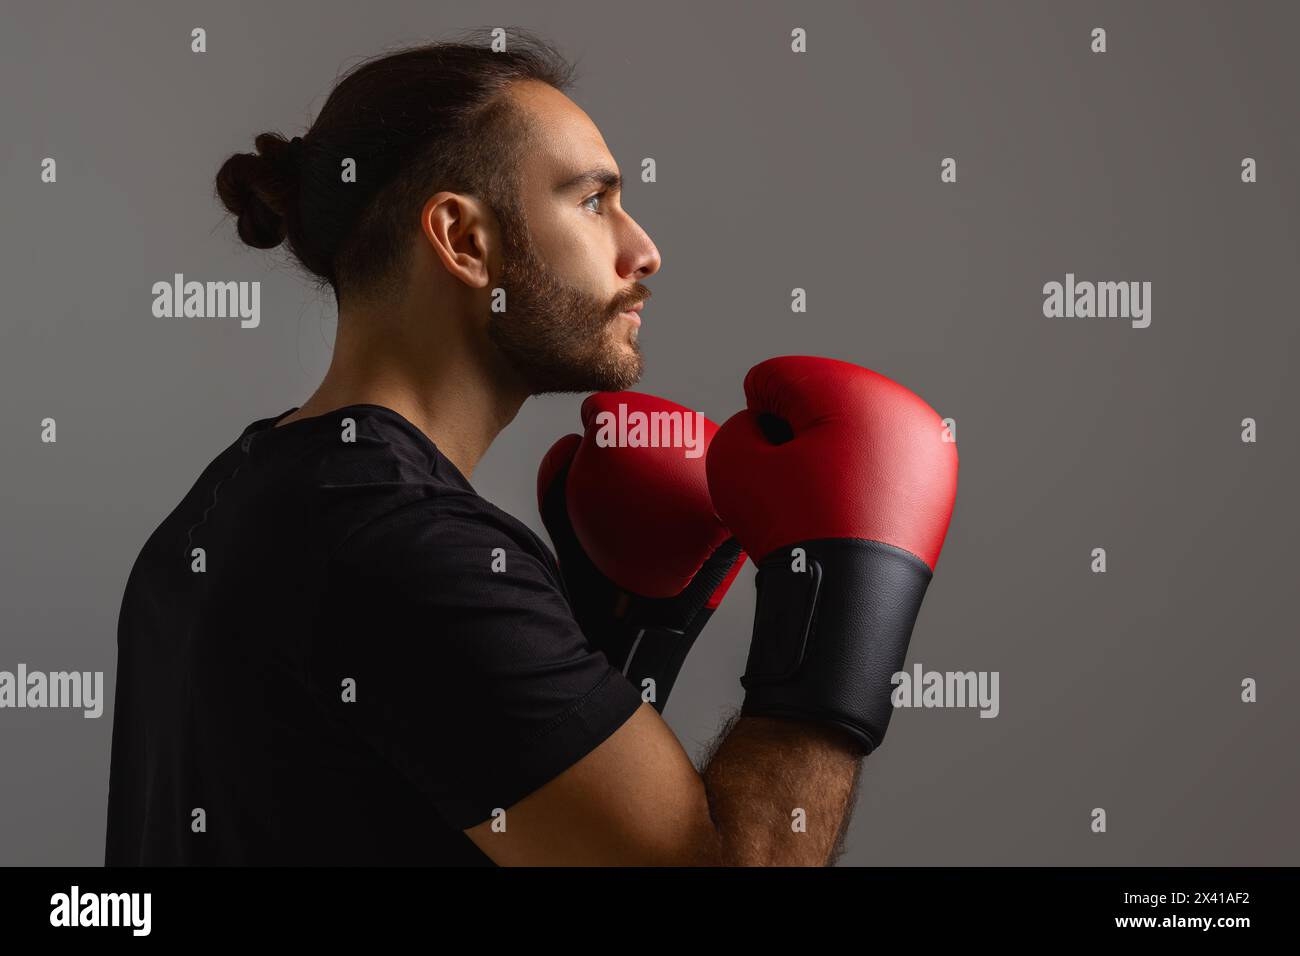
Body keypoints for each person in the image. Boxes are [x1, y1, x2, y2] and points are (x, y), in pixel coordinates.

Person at [105, 29, 957, 866]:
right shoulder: (409, 547)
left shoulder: (235, 500)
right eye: (593, 201)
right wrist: (846, 599)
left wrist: (629, 636)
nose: (643, 250)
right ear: (465, 240)